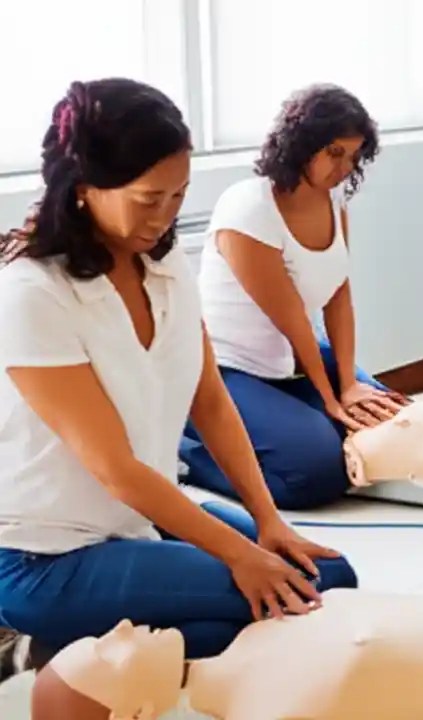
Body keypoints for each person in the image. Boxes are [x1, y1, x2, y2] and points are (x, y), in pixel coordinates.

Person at [0, 79, 358, 682]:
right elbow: (115, 469)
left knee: (330, 577)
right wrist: (240, 555)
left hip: (136, 520)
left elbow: (211, 401)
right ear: (84, 187)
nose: (165, 216)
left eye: (178, 195)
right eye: (149, 199)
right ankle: (46, 645)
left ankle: (75, 646)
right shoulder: (31, 293)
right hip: (46, 556)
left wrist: (267, 521)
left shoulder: (161, 259)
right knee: (282, 602)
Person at [180, 84, 409, 511]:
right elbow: (292, 321)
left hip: (290, 361)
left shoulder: (334, 201)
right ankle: (188, 452)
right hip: (225, 367)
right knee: (318, 471)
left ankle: (296, 423)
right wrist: (331, 400)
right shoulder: (249, 208)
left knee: (390, 419)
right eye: (335, 153)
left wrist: (349, 386)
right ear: (302, 143)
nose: (345, 167)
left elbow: (338, 297)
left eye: (354, 155)